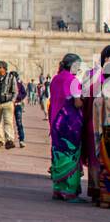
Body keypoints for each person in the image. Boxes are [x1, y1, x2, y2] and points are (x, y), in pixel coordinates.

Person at [48, 53, 85, 201]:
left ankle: (58, 189)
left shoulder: (56, 79)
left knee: (58, 153)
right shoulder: (73, 80)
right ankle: (69, 191)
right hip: (70, 123)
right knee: (71, 155)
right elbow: (77, 103)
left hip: (56, 121)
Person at [84, 45, 110, 207]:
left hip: (96, 127)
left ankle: (100, 194)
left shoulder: (91, 76)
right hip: (98, 126)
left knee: (99, 161)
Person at [13, 72, 26, 147]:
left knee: (19, 123)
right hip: (9, 105)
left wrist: (19, 98)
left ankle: (21, 139)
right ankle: (9, 139)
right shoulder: (7, 83)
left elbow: (24, 93)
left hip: (17, 105)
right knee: (8, 123)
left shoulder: (19, 84)